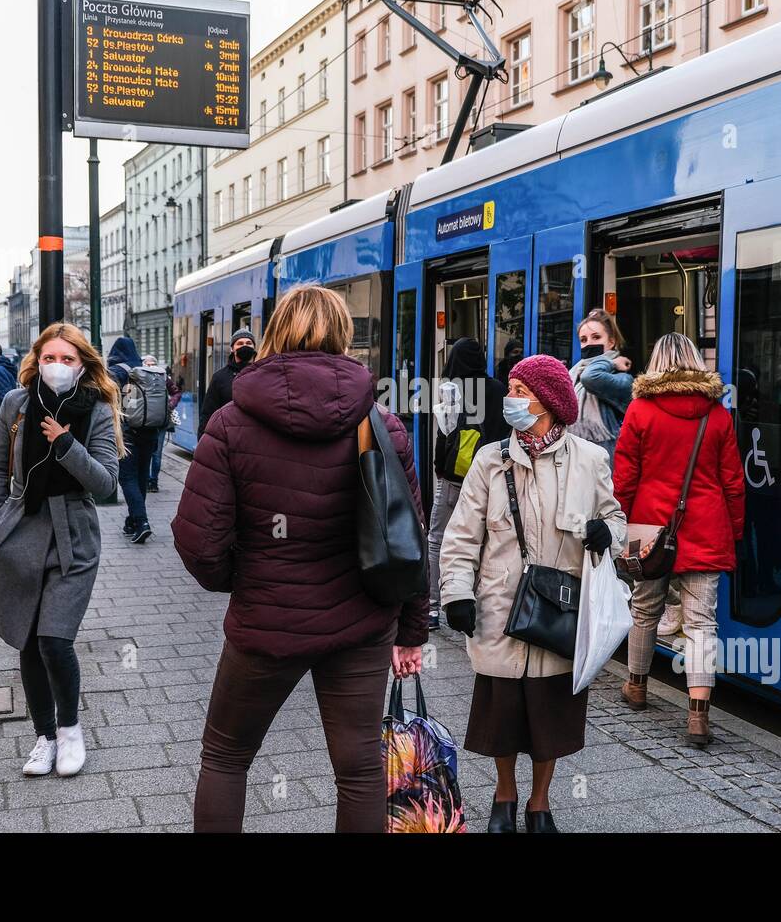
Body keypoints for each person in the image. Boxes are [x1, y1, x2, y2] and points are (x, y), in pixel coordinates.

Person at [172, 285, 427, 833]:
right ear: (344, 336)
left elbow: (199, 543)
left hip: (268, 622)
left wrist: (245, 579)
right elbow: (410, 538)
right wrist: (411, 631)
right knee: (359, 769)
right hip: (361, 623)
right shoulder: (383, 426)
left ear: (274, 332)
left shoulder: (230, 424)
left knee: (225, 757)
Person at [439, 353, 626, 833]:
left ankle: (539, 804)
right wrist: (457, 593)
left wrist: (608, 533)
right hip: (501, 609)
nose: (511, 399)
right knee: (502, 716)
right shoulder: (490, 459)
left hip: (560, 612)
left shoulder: (590, 459)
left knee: (551, 719)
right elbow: (462, 537)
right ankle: (505, 794)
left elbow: (617, 521)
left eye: (520, 391)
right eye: (513, 389)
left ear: (547, 400)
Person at [0, 323, 123, 778]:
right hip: (21, 531)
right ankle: (44, 736)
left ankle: (70, 728)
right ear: (36, 361)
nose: (57, 367)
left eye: (68, 359)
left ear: (83, 366)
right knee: (29, 640)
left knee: (55, 640)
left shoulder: (95, 408)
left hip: (73, 534)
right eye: (50, 358)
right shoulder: (15, 404)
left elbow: (106, 484)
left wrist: (65, 442)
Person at [613, 332, 745, 748]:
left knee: (644, 609)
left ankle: (636, 686)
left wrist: (620, 525)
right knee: (702, 623)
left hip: (649, 528)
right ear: (694, 361)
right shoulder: (717, 414)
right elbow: (733, 483)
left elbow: (625, 477)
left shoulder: (640, 410)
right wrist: (733, 531)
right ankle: (698, 715)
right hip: (707, 526)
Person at [428, 337, 507, 631]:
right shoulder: (499, 388)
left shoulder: (452, 389)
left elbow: (443, 433)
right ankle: (478, 605)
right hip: (491, 476)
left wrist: (439, 468)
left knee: (439, 538)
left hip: (455, 476)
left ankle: (433, 608)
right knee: (484, 539)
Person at [106, 336, 164, 544]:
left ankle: (141, 522)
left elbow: (107, 402)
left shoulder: (116, 372)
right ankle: (132, 521)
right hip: (149, 432)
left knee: (127, 478)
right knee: (140, 477)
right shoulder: (144, 369)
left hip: (126, 434)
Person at [569, 309, 634, 463]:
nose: (589, 344)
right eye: (583, 340)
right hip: (576, 459)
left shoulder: (622, 379)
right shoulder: (574, 375)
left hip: (604, 463)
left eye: (596, 337)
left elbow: (591, 377)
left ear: (611, 342)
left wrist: (610, 362)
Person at [197, 327, 255, 436]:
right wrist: (202, 440)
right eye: (240, 343)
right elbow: (208, 412)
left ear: (254, 347)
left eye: (249, 343)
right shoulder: (219, 377)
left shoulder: (262, 373)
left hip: (255, 437)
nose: (245, 346)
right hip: (229, 436)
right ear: (232, 348)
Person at [144, 356, 182, 493]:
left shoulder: (164, 378)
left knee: (156, 453)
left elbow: (176, 393)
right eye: (148, 364)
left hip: (159, 421)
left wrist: (171, 405)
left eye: (153, 364)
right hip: (145, 422)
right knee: (148, 453)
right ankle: (148, 480)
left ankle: (153, 481)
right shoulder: (141, 377)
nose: (151, 366)